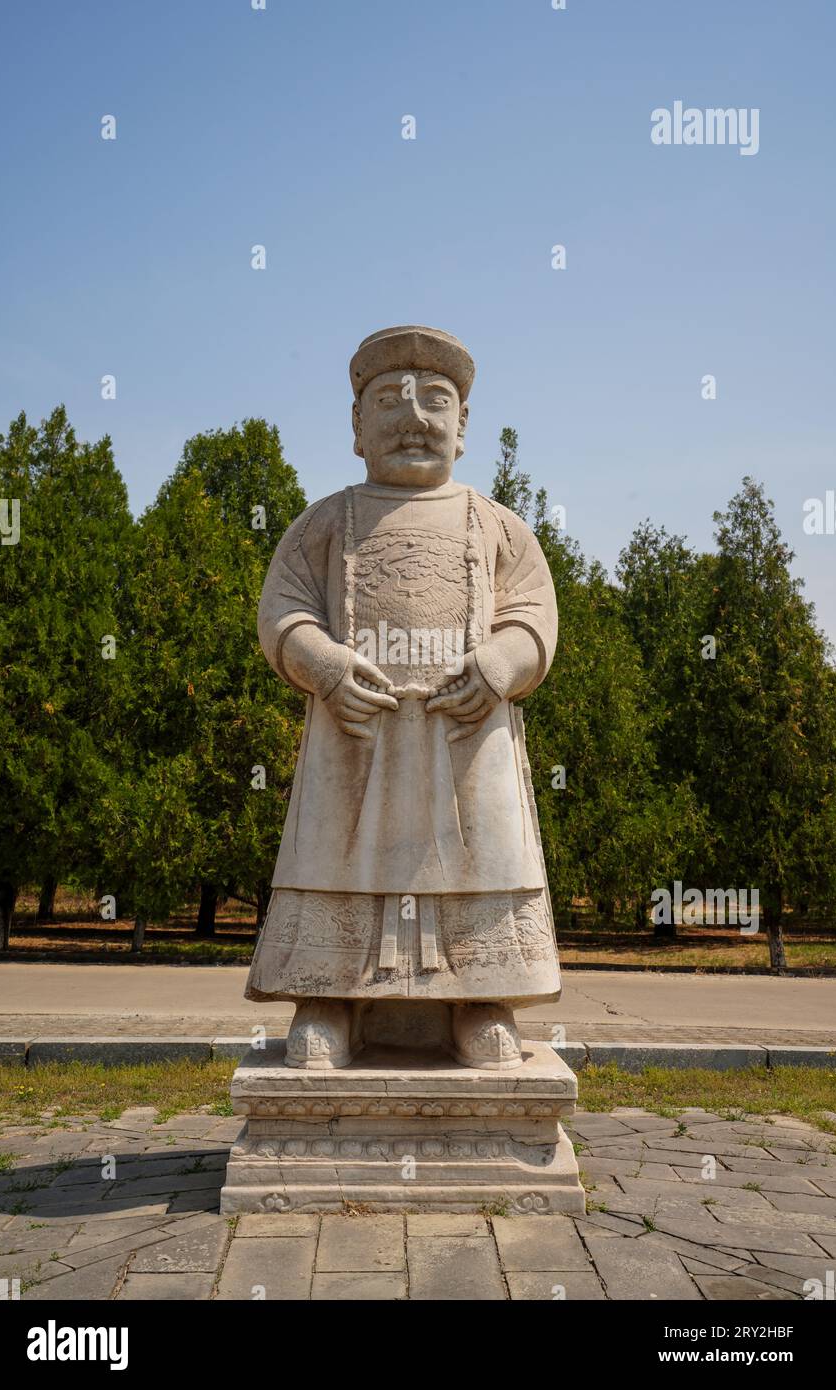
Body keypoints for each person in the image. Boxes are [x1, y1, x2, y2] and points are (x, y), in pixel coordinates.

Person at [247, 325, 561, 1070]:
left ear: (464, 427)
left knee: (481, 858)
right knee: (336, 857)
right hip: (354, 735)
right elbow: (282, 609)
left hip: (468, 734)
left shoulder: (497, 526)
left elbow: (532, 614)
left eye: (435, 400)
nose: (412, 415)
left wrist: (498, 665)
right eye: (388, 400)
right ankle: (328, 997)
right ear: (357, 428)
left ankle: (481, 998)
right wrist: (322, 664)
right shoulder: (325, 522)